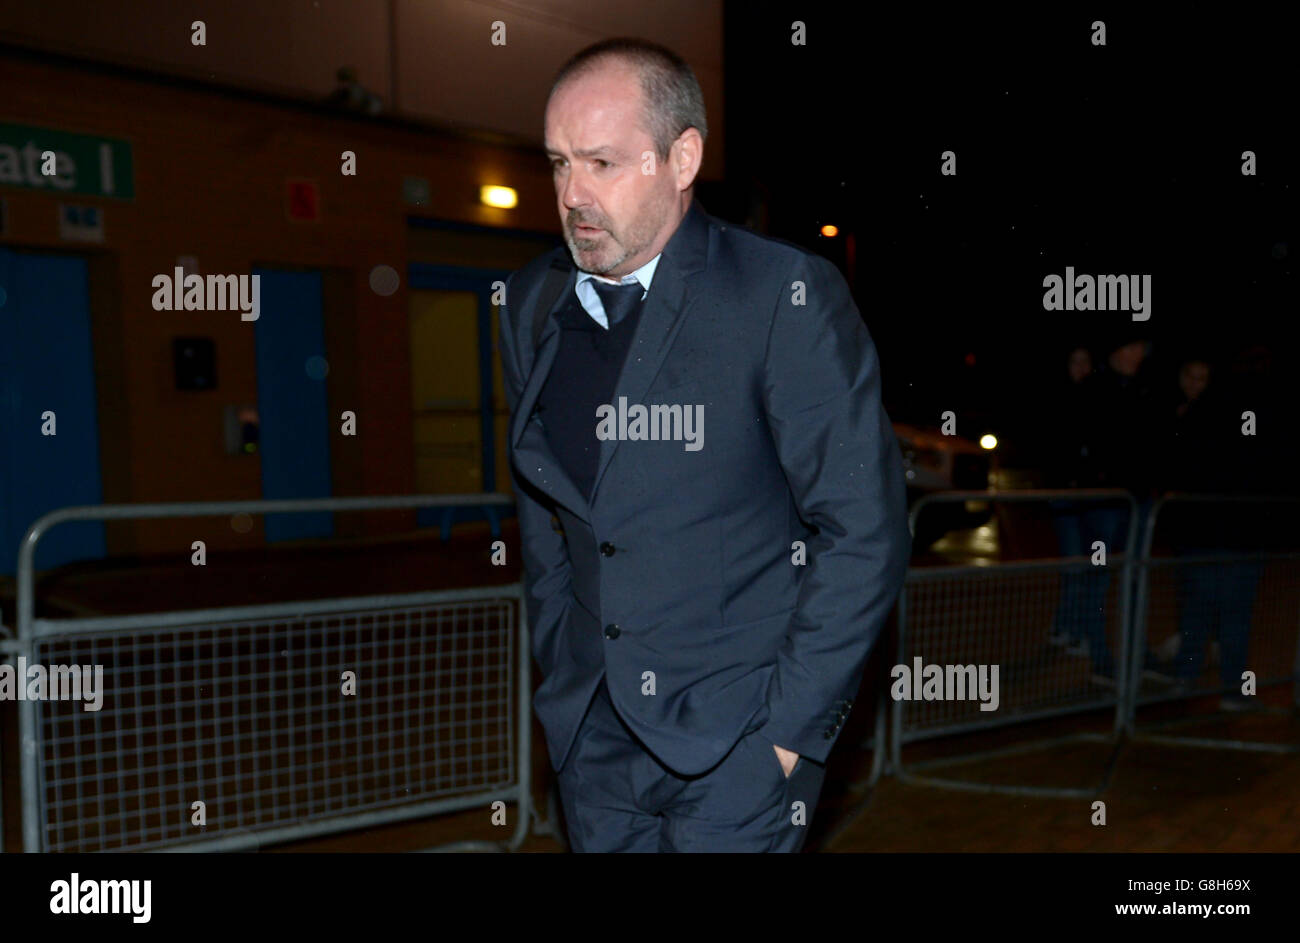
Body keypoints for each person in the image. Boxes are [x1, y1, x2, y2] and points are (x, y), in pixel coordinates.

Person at [497, 38, 909, 852]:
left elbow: (865, 529)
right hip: (591, 743)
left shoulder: (781, 296)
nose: (573, 194)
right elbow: (543, 513)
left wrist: (788, 735)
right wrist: (560, 673)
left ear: (682, 158)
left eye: (603, 163)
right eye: (557, 163)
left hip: (738, 747)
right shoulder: (531, 303)